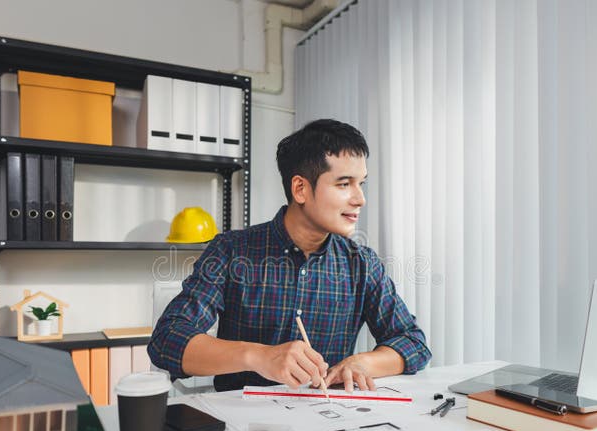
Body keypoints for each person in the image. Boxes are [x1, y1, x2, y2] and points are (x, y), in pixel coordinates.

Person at [148, 119, 431, 392]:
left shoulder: (362, 264)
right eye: (344, 184)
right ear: (300, 189)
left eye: (361, 184)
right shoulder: (232, 251)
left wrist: (363, 362)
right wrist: (258, 356)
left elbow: (413, 342)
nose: (360, 199)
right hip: (242, 421)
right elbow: (167, 340)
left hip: (325, 416)